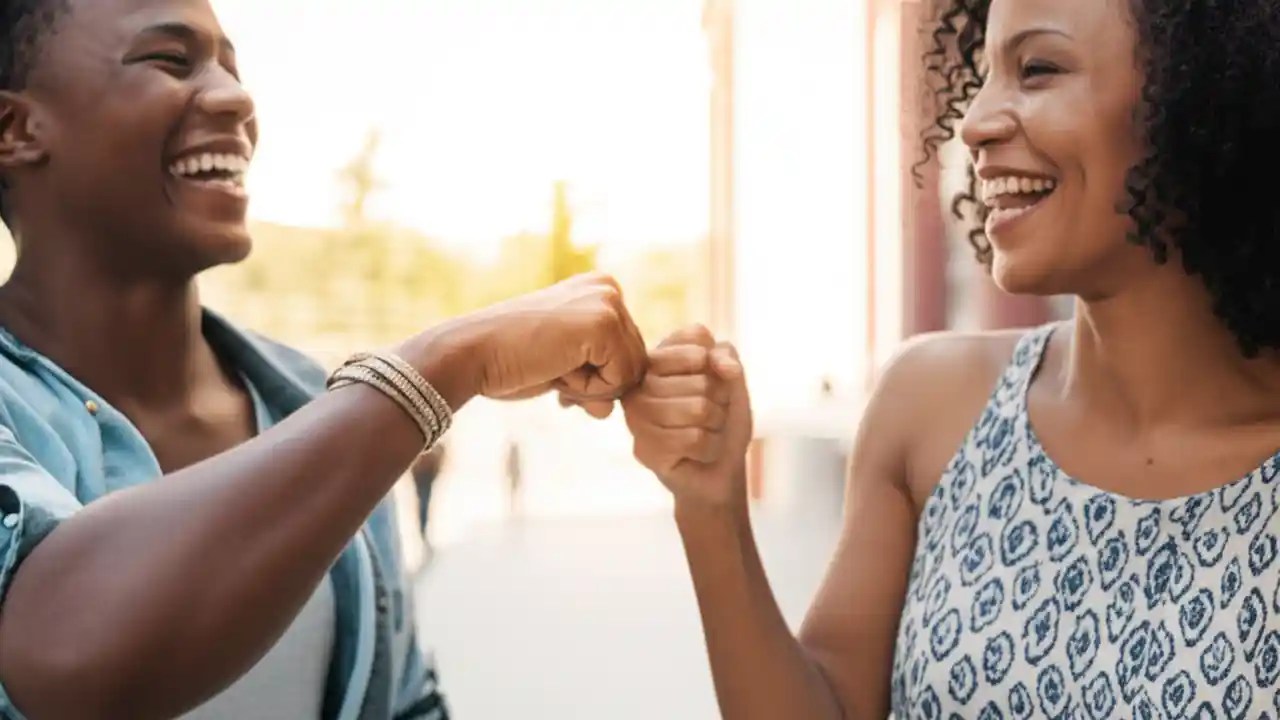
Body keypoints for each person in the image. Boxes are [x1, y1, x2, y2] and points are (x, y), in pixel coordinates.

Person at [614, 0, 1280, 717]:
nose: (975, 121)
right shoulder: (930, 407)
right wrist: (712, 505)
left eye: (1037, 69)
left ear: (1198, 98)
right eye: (983, 72)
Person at [0, 0, 647, 718]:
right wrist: (441, 366)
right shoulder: (366, 414)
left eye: (230, 65)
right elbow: (59, 649)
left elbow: (401, 704)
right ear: (15, 130)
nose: (235, 97)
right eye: (170, 61)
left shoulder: (318, 405)